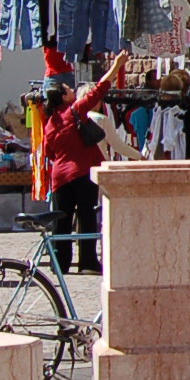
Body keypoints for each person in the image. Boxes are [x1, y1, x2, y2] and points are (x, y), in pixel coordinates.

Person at [42, 51, 130, 275]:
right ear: (63, 96)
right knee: (87, 217)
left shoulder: (50, 123)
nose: (72, 90)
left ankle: (60, 263)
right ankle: (88, 262)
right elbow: (99, 89)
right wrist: (117, 65)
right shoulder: (75, 111)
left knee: (62, 221)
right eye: (69, 90)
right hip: (82, 173)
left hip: (60, 177)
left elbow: (49, 153)